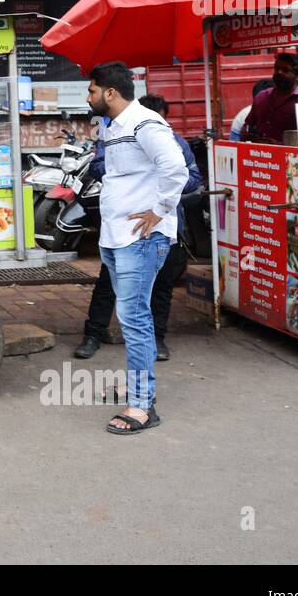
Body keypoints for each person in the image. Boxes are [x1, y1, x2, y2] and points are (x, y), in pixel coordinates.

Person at [86, 62, 188, 435]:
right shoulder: (115, 126)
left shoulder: (146, 123)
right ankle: (136, 385)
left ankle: (143, 405)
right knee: (132, 317)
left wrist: (160, 211)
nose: (89, 96)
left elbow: (176, 168)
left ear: (110, 93)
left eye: (92, 90)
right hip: (117, 236)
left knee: (135, 319)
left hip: (139, 239)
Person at [75, 94, 203, 363]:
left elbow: (189, 176)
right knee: (109, 285)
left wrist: (158, 192)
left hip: (158, 226)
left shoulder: (171, 141)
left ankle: (156, 342)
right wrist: (134, 171)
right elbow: (98, 166)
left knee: (159, 288)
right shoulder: (113, 134)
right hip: (123, 228)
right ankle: (94, 335)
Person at [241, 53, 298, 144]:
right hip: (259, 155)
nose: (279, 72)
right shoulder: (261, 96)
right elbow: (247, 126)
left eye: (285, 70)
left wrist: (278, 144)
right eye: (277, 69)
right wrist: (249, 135)